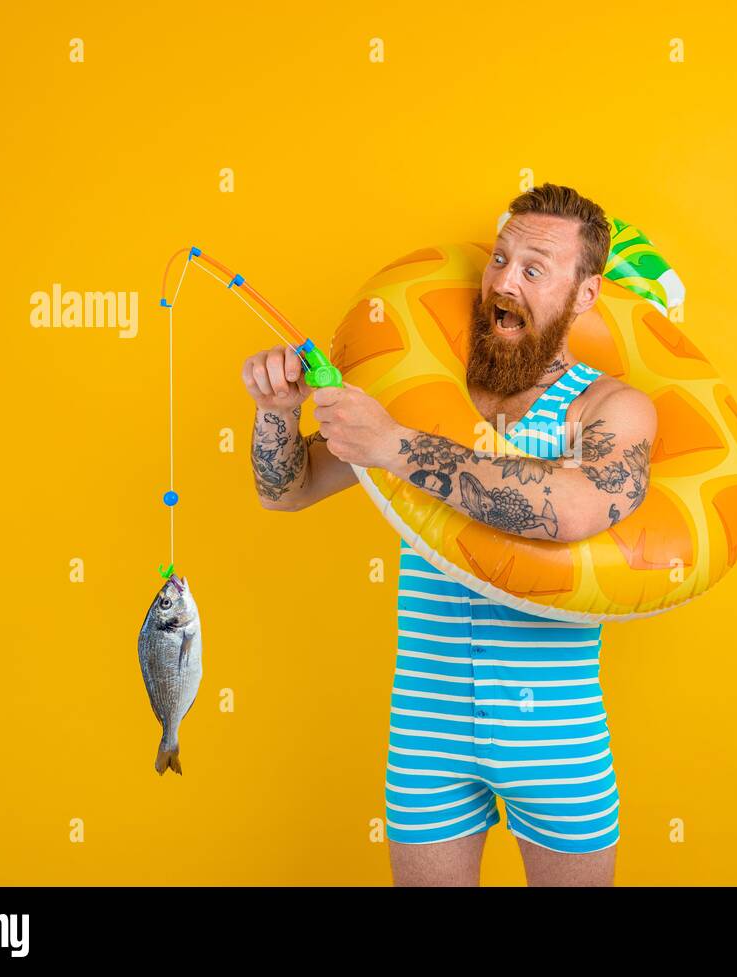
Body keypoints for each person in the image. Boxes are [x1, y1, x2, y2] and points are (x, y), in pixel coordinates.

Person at [241, 184, 657, 886]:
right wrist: (277, 412)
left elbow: (576, 510)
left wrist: (397, 445)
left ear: (584, 294)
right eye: (500, 257)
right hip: (426, 736)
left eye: (534, 268)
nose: (502, 279)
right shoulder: (423, 392)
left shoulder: (610, 407)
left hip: (555, 740)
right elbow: (288, 490)